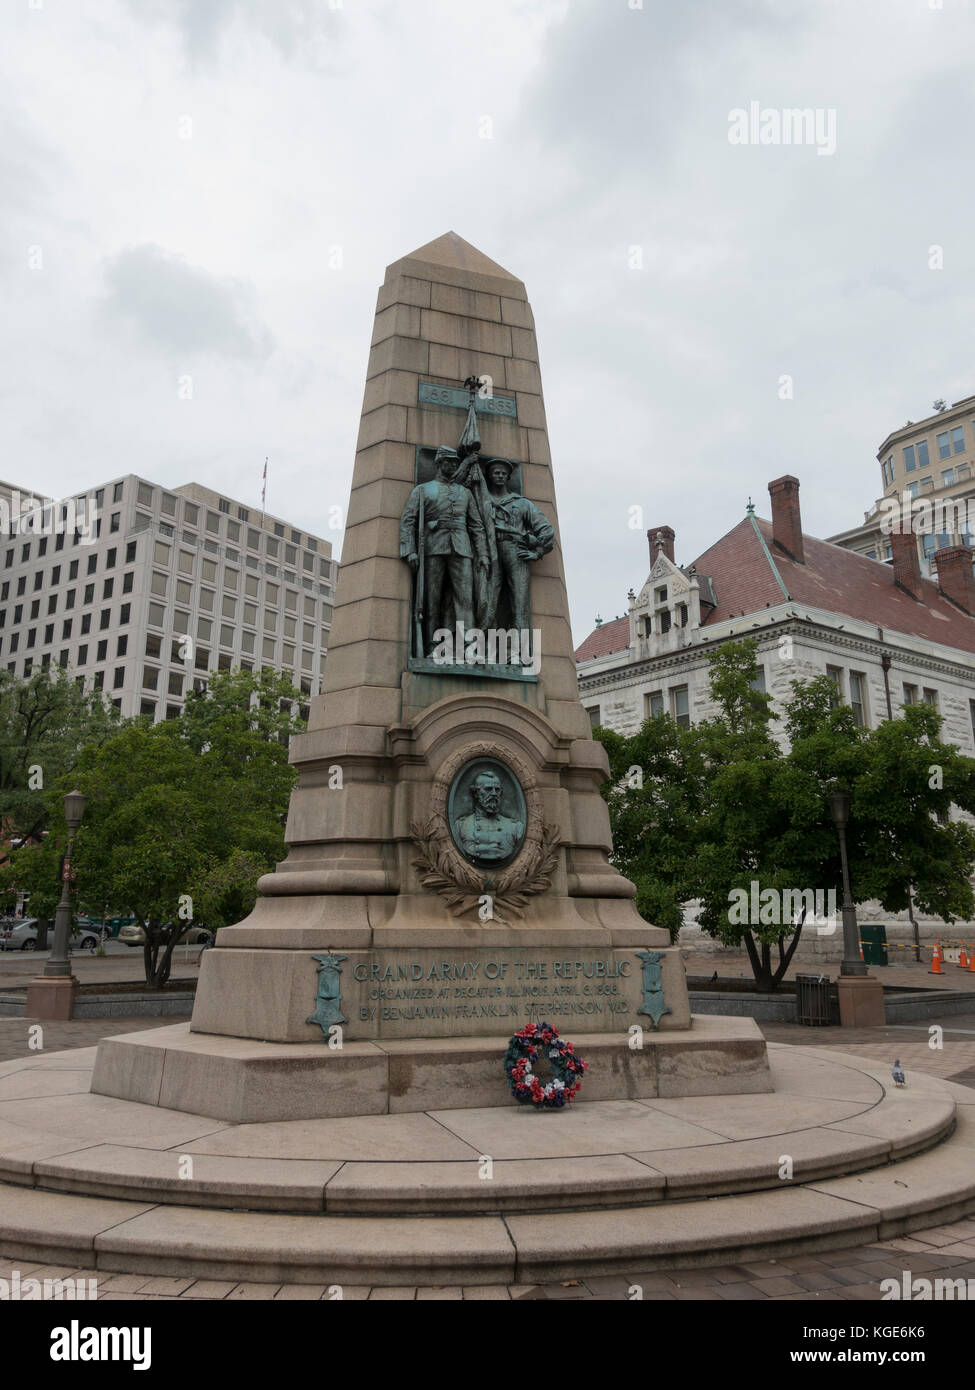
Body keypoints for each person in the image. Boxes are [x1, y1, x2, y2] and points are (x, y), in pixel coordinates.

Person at [400, 447, 488, 657]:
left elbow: (476, 526)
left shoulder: (465, 493)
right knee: (433, 600)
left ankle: (469, 646)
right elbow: (408, 521)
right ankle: (434, 646)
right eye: (449, 462)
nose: (453, 466)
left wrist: (483, 553)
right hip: (433, 549)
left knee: (465, 599)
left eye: (455, 463)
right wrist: (409, 551)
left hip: (462, 548)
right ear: (439, 463)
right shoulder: (422, 490)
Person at [454, 769, 524, 864]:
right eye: (488, 789)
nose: (494, 793)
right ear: (476, 793)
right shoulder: (461, 825)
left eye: (497, 789)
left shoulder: (515, 827)